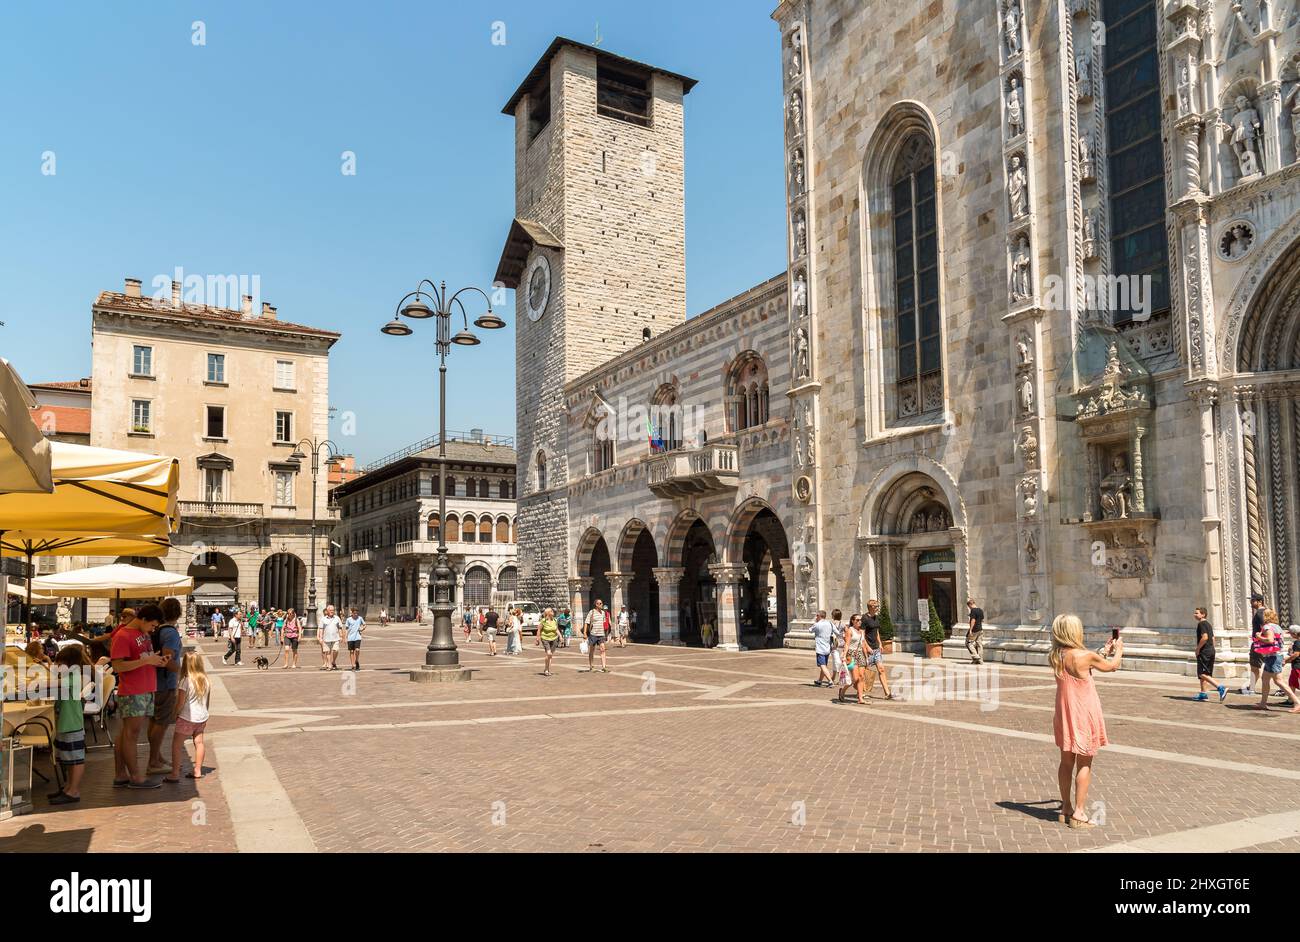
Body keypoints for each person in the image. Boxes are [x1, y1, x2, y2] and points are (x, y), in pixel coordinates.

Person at [1051, 613, 1121, 828]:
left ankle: (1066, 807)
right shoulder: (1086, 656)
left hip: (1064, 713)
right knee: (1084, 763)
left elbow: (1086, 662)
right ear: (1075, 632)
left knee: (1066, 761)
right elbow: (1112, 666)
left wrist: (1102, 652)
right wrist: (1118, 650)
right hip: (1083, 713)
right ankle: (1079, 813)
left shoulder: (1055, 655)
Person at [110, 604, 168, 789]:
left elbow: (143, 659)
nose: (153, 629)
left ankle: (121, 774)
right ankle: (136, 777)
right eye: (152, 625)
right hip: (134, 690)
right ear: (143, 620)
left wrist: (156, 661)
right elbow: (118, 666)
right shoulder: (122, 635)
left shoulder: (142, 634)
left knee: (126, 734)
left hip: (145, 688)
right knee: (131, 734)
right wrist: (146, 661)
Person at [48, 644, 91, 804]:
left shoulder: (74, 678)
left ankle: (74, 790)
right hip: (66, 724)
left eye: (60, 664)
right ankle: (68, 788)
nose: (57, 667)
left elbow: (53, 684)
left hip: (71, 724)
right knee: (68, 758)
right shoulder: (71, 676)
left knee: (76, 759)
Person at [146, 598, 184, 775]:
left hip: (155, 681)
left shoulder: (158, 630)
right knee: (161, 723)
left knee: (155, 721)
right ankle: (153, 761)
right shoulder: (171, 633)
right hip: (165, 682)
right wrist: (183, 672)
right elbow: (167, 659)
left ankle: (157, 756)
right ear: (177, 613)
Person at [168, 649, 211, 781]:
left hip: (187, 717)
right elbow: (208, 701)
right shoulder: (206, 680)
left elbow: (180, 702)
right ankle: (197, 770)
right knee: (199, 742)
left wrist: (175, 714)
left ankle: (174, 773)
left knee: (177, 744)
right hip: (202, 717)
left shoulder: (185, 681)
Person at [1251, 610, 1300, 712]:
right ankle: (1263, 703)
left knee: (1278, 681)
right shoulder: (1278, 627)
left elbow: (1270, 640)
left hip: (1273, 657)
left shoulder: (1267, 627)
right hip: (1275, 656)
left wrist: (1259, 637)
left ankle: (1297, 702)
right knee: (1265, 679)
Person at [861, 599, 894, 700]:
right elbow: (862, 635)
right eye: (876, 607)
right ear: (870, 607)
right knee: (864, 672)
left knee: (881, 669)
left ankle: (887, 692)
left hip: (876, 648)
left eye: (877, 607)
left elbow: (876, 631)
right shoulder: (865, 618)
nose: (877, 608)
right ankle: (862, 691)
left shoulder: (876, 617)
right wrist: (867, 647)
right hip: (868, 649)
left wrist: (880, 643)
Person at [1193, 607, 1226, 702]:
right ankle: (1203, 693)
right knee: (1206, 673)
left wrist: (1198, 648)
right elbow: (1213, 638)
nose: (1194, 615)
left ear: (1203, 614)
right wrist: (1212, 648)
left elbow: (1205, 637)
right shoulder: (1208, 624)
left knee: (1202, 673)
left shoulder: (1201, 624)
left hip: (1205, 651)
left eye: (1197, 613)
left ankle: (1220, 687)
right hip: (1211, 650)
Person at [839, 612, 868, 704]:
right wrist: (844, 655)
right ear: (853, 621)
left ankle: (860, 698)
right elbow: (847, 644)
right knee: (855, 679)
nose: (859, 622)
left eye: (860, 620)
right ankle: (842, 691)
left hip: (860, 654)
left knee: (862, 677)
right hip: (851, 655)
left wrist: (866, 657)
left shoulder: (862, 631)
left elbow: (863, 644)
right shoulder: (850, 630)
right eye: (857, 620)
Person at [1242, 593, 1266, 695]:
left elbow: (1265, 627)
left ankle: (1251, 689)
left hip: (1259, 644)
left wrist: (1259, 637)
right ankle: (1251, 687)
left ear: (1259, 601)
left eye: (1253, 600)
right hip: (1262, 643)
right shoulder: (1264, 612)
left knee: (1254, 667)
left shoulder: (1260, 613)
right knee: (1262, 667)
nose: (1251, 602)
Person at [584, 598, 610, 672]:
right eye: (600, 603)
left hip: (601, 634)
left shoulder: (603, 613)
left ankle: (604, 667)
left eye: (601, 603)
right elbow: (586, 622)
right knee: (592, 650)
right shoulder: (591, 612)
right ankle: (591, 666)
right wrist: (585, 633)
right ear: (596, 604)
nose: (602, 605)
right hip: (593, 634)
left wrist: (606, 633)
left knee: (603, 649)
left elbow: (604, 623)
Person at [810, 610, 834, 687]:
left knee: (822, 665)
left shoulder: (817, 624)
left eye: (816, 616)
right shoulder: (830, 623)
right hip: (827, 648)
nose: (816, 617)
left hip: (820, 648)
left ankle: (830, 681)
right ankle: (819, 681)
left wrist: (815, 622)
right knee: (824, 666)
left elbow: (810, 630)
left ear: (819, 616)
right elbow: (836, 631)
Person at [319, 604, 342, 671]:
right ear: (327, 611)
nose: (332, 611)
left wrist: (341, 636)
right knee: (328, 652)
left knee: (336, 650)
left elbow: (340, 627)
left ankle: (333, 661)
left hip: (336, 638)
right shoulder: (323, 619)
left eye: (333, 610)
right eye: (331, 610)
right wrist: (320, 637)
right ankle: (329, 664)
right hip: (326, 638)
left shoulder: (337, 618)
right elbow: (321, 629)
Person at [538, 607, 560, 676]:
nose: (553, 612)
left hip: (554, 639)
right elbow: (539, 629)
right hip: (545, 638)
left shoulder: (555, 620)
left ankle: (547, 669)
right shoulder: (543, 621)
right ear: (548, 613)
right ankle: (546, 669)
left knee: (550, 655)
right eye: (551, 611)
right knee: (549, 653)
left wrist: (560, 636)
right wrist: (537, 638)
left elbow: (556, 629)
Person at [965, 598, 985, 664]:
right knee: (979, 644)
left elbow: (973, 620)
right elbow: (982, 620)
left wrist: (970, 630)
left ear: (970, 604)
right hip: (980, 629)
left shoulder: (973, 610)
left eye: (969, 607)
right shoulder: (980, 610)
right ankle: (980, 660)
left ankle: (976, 656)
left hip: (974, 630)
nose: (969, 608)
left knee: (968, 643)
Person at [1287, 625, 1300, 694]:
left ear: (1295, 634)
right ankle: (1290, 700)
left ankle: (1291, 700)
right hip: (1296, 666)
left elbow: (1296, 654)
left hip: (1297, 666)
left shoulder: (1297, 642)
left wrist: (1286, 661)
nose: (1290, 635)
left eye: (1290, 633)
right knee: (1292, 683)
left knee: (1294, 682)